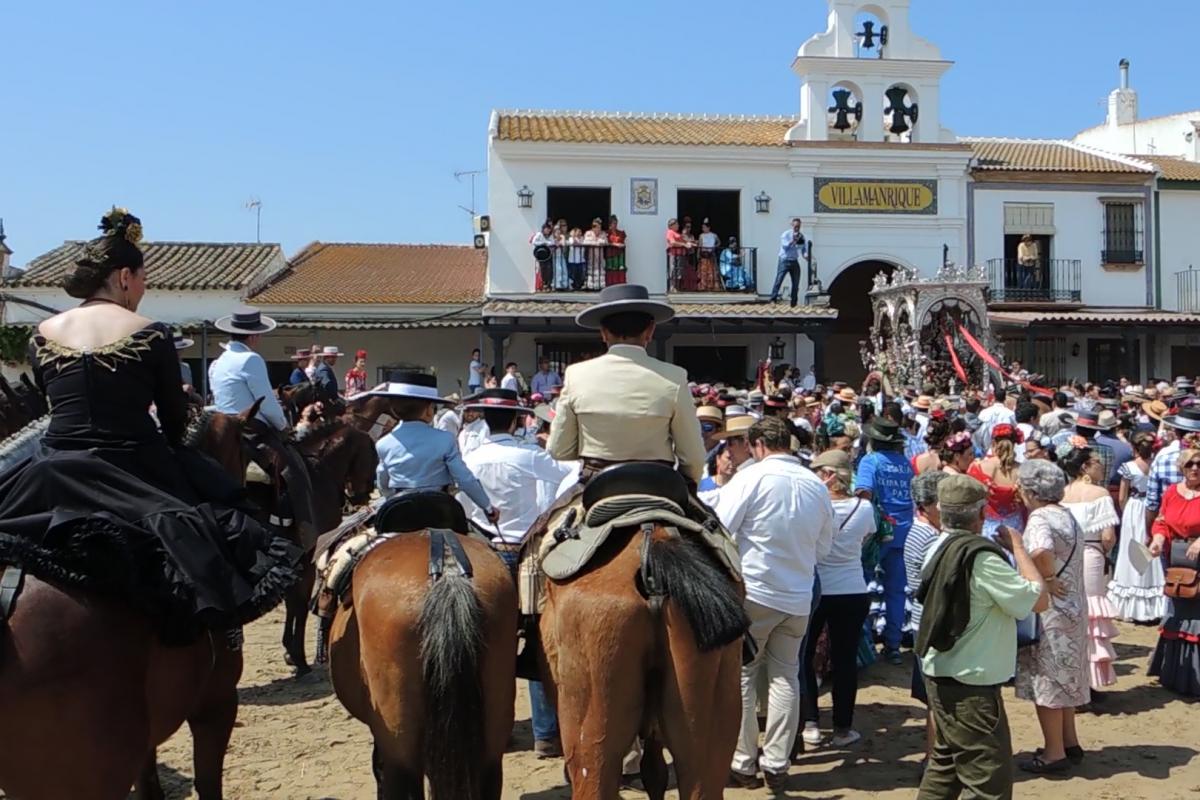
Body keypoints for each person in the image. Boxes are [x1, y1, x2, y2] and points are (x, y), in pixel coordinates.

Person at [0, 207, 299, 641]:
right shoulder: (150, 332)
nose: (143, 289)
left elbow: (55, 403)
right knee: (214, 534)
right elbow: (175, 419)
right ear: (124, 277)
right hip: (133, 465)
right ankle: (217, 635)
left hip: (51, 469)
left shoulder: (43, 334)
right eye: (142, 280)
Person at [715, 417, 834, 791]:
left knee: (745, 676)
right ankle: (777, 760)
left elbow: (721, 526)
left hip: (756, 590)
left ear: (758, 445)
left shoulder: (753, 478)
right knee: (785, 676)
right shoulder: (815, 484)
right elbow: (824, 548)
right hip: (797, 594)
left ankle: (743, 759)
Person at [454, 388, 573, 757]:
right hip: (525, 553)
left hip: (478, 550)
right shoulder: (532, 455)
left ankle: (495, 728)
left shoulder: (470, 457)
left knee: (483, 646)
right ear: (519, 419)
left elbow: (461, 502)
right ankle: (546, 734)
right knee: (539, 641)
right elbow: (570, 478)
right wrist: (544, 515)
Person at [915, 475, 1049, 800]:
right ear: (980, 514)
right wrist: (1017, 547)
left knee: (945, 767)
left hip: (940, 671)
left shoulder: (934, 544)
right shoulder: (982, 558)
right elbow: (1038, 600)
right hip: (970, 683)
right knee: (988, 780)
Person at [547, 284, 705, 483]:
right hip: (657, 485)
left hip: (596, 485)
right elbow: (694, 457)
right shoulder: (674, 377)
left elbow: (558, 450)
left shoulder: (576, 375)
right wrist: (688, 488)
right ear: (650, 330)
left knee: (551, 515)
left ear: (603, 333)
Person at [1013, 459, 1089, 774]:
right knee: (1066, 679)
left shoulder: (1040, 518)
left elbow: (1040, 550)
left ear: (1031, 490)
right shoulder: (1067, 514)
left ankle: (1053, 752)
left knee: (1047, 682)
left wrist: (1045, 576)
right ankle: (1069, 742)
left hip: (1050, 611)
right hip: (1074, 606)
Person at [803, 449, 874, 748]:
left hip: (816, 588)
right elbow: (867, 538)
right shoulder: (864, 508)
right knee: (845, 660)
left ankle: (810, 723)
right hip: (852, 587)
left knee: (805, 656)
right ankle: (843, 727)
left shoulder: (813, 507)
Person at [371, 374, 497, 523]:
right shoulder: (445, 439)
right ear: (429, 411)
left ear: (394, 409)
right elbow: (464, 479)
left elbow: (383, 482)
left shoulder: (383, 444)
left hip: (399, 510)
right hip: (440, 511)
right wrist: (488, 507)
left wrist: (390, 498)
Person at [1058, 440, 1120, 695]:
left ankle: (1072, 678)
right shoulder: (1100, 495)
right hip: (1091, 553)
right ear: (1085, 466)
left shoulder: (1062, 493)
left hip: (1066, 556)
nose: (1101, 466)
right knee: (1092, 614)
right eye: (1097, 462)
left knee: (1070, 615)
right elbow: (1108, 537)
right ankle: (1090, 681)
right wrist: (1105, 552)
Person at [855, 418, 915, 664]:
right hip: (904, 529)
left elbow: (863, 493)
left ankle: (865, 641)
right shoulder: (905, 464)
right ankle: (893, 645)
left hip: (878, 532)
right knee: (896, 589)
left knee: (862, 584)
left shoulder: (870, 462)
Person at [1147, 446, 1200, 697]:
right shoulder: (1171, 492)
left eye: (1199, 464)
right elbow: (1162, 521)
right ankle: (1176, 675)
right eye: (1190, 464)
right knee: (1177, 608)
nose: (1195, 469)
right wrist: (1157, 539)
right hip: (1177, 560)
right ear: (1182, 467)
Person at [904, 470, 948, 764]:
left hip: (922, 622)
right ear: (926, 506)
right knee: (938, 699)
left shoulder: (922, 531)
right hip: (930, 624)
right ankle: (935, 758)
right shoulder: (930, 538)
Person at [1108, 432, 1166, 621]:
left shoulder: (1128, 467)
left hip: (1135, 507)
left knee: (1131, 548)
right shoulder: (1156, 465)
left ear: (1134, 448)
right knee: (1150, 547)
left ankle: (1131, 598)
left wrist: (1127, 513)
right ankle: (1152, 601)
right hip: (1153, 506)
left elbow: (1123, 496)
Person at [968, 423, 1024, 543]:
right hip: (1015, 527)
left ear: (993, 442)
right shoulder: (1022, 470)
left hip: (986, 527)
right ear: (1014, 444)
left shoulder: (978, 467)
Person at [769, 218, 806, 307]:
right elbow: (785, 246)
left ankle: (794, 303)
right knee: (779, 279)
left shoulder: (801, 236)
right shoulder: (786, 234)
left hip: (794, 261)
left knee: (796, 282)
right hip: (784, 260)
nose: (797, 228)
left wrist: (806, 255)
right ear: (792, 225)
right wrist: (793, 240)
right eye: (796, 226)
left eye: (799, 226)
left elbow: (803, 248)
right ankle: (773, 300)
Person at [696, 218, 721, 291]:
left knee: (711, 270)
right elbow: (700, 245)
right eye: (702, 227)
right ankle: (703, 286)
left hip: (711, 254)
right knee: (703, 271)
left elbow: (719, 242)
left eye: (704, 227)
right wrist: (698, 254)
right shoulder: (701, 235)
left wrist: (714, 247)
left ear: (708, 228)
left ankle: (712, 286)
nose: (703, 229)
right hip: (703, 254)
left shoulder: (714, 235)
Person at [582, 217, 607, 290]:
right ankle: (590, 286)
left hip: (600, 257)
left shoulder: (603, 233)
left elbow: (605, 242)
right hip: (591, 256)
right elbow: (585, 242)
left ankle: (600, 286)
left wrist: (598, 242)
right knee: (591, 271)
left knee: (600, 271)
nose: (595, 228)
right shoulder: (588, 233)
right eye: (594, 226)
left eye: (597, 226)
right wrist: (596, 242)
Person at [604, 215, 627, 285]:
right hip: (610, 253)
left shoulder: (620, 233)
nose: (615, 225)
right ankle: (610, 284)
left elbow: (622, 242)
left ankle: (619, 283)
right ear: (610, 224)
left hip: (619, 253)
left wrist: (622, 244)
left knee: (619, 268)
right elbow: (606, 242)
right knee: (611, 269)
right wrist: (615, 244)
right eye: (613, 223)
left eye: (616, 223)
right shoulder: (606, 233)